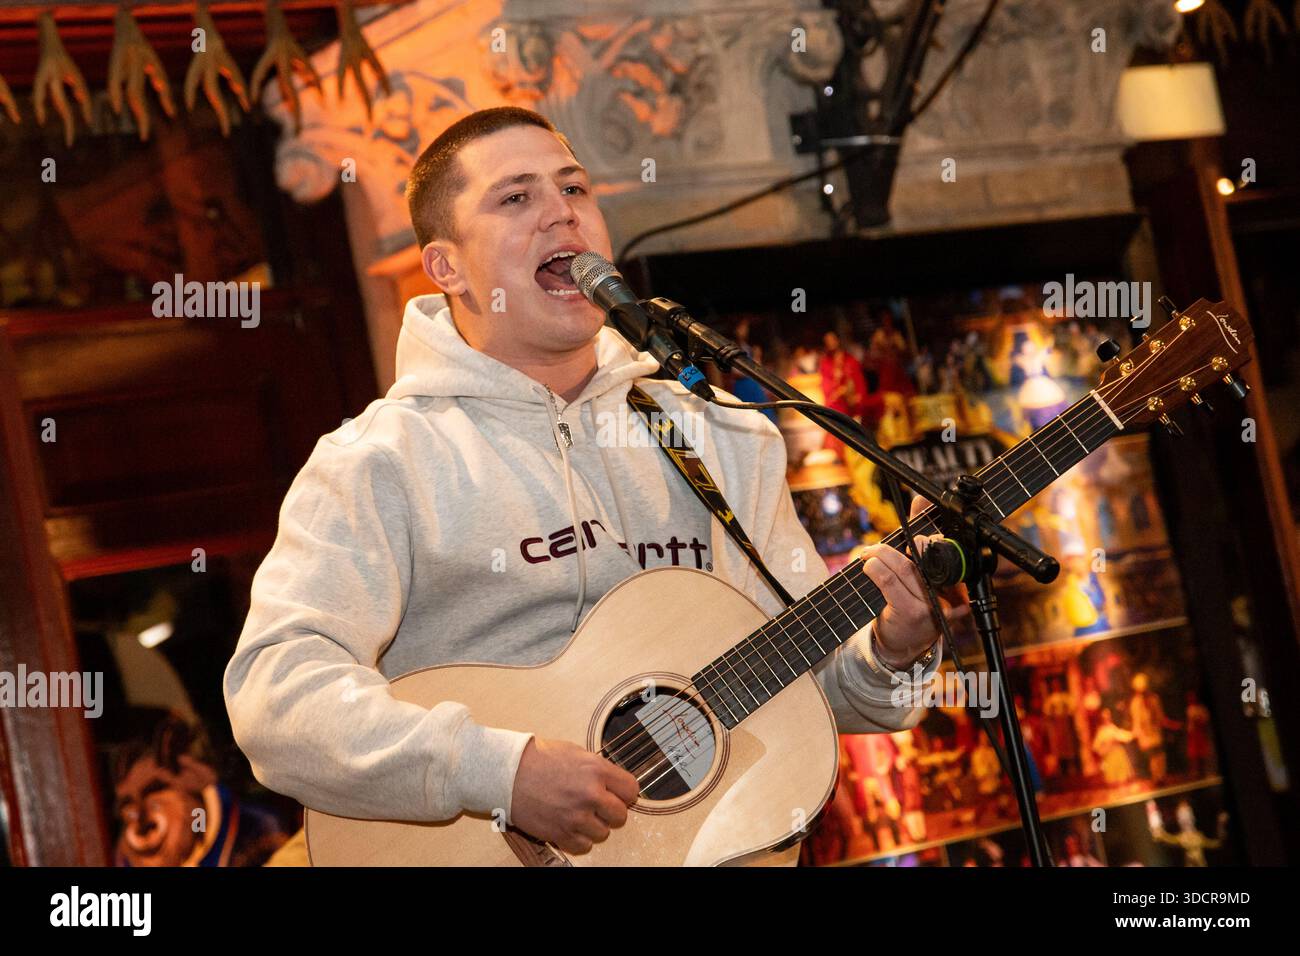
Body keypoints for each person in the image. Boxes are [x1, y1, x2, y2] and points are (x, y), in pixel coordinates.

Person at [223, 106, 956, 861]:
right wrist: (499, 773)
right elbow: (276, 699)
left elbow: (799, 694)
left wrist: (890, 654)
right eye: (516, 198)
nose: (560, 212)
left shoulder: (723, 434)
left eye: (574, 188)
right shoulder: (380, 461)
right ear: (445, 266)